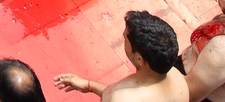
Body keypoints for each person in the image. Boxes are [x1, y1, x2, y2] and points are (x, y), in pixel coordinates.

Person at [54, 10, 187, 102]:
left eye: (125, 38)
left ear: (139, 59)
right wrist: (89, 85)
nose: (123, 38)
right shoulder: (177, 78)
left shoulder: (122, 98)